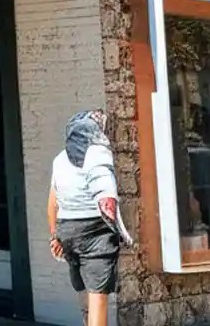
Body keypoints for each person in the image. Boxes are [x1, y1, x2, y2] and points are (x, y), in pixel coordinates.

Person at [49, 109, 132, 326]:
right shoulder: (97, 153)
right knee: (98, 299)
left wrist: (54, 237)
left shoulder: (59, 159)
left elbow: (53, 203)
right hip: (95, 231)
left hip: (67, 231)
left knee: (84, 292)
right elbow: (107, 199)